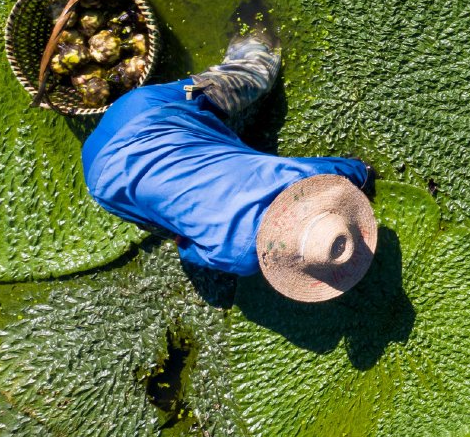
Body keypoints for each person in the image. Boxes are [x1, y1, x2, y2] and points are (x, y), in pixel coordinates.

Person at [81, 32, 377, 302]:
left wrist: (363, 173)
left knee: (239, 78)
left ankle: (252, 43)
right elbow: (188, 247)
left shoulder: (294, 178)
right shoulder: (240, 257)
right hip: (102, 180)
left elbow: (345, 172)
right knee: (163, 223)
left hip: (142, 109)